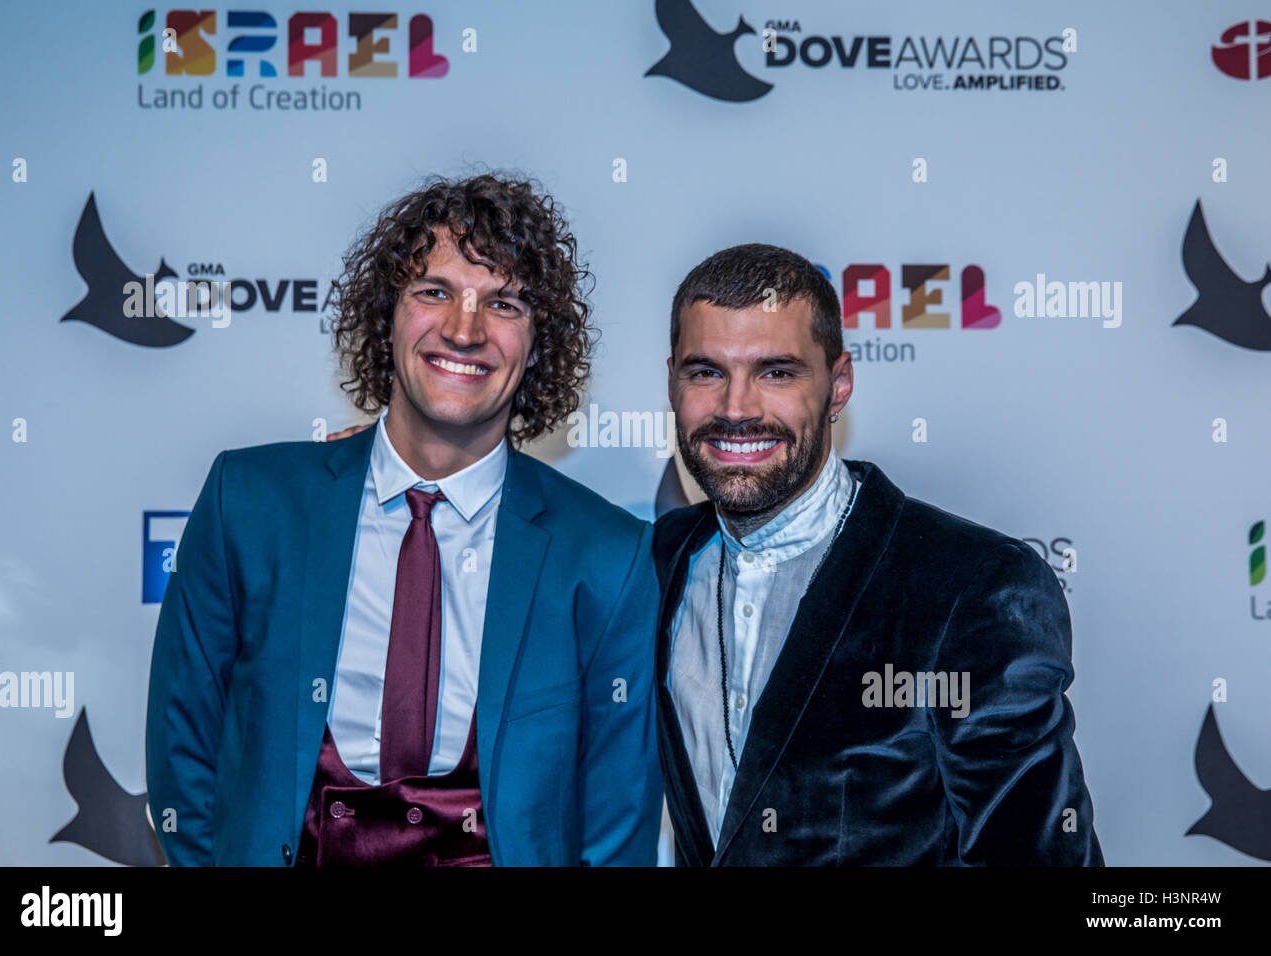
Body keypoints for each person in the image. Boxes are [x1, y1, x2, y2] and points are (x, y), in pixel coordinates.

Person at [146, 173, 662, 866]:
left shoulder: (607, 556)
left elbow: (615, 826)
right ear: (386, 314)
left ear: (538, 344)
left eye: (503, 302)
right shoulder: (249, 501)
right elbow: (185, 755)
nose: (464, 328)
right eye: (435, 291)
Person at [655, 242, 1103, 865]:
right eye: (707, 372)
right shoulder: (657, 562)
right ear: (672, 379)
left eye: (777, 372)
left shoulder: (973, 589)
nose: (737, 409)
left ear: (838, 386)